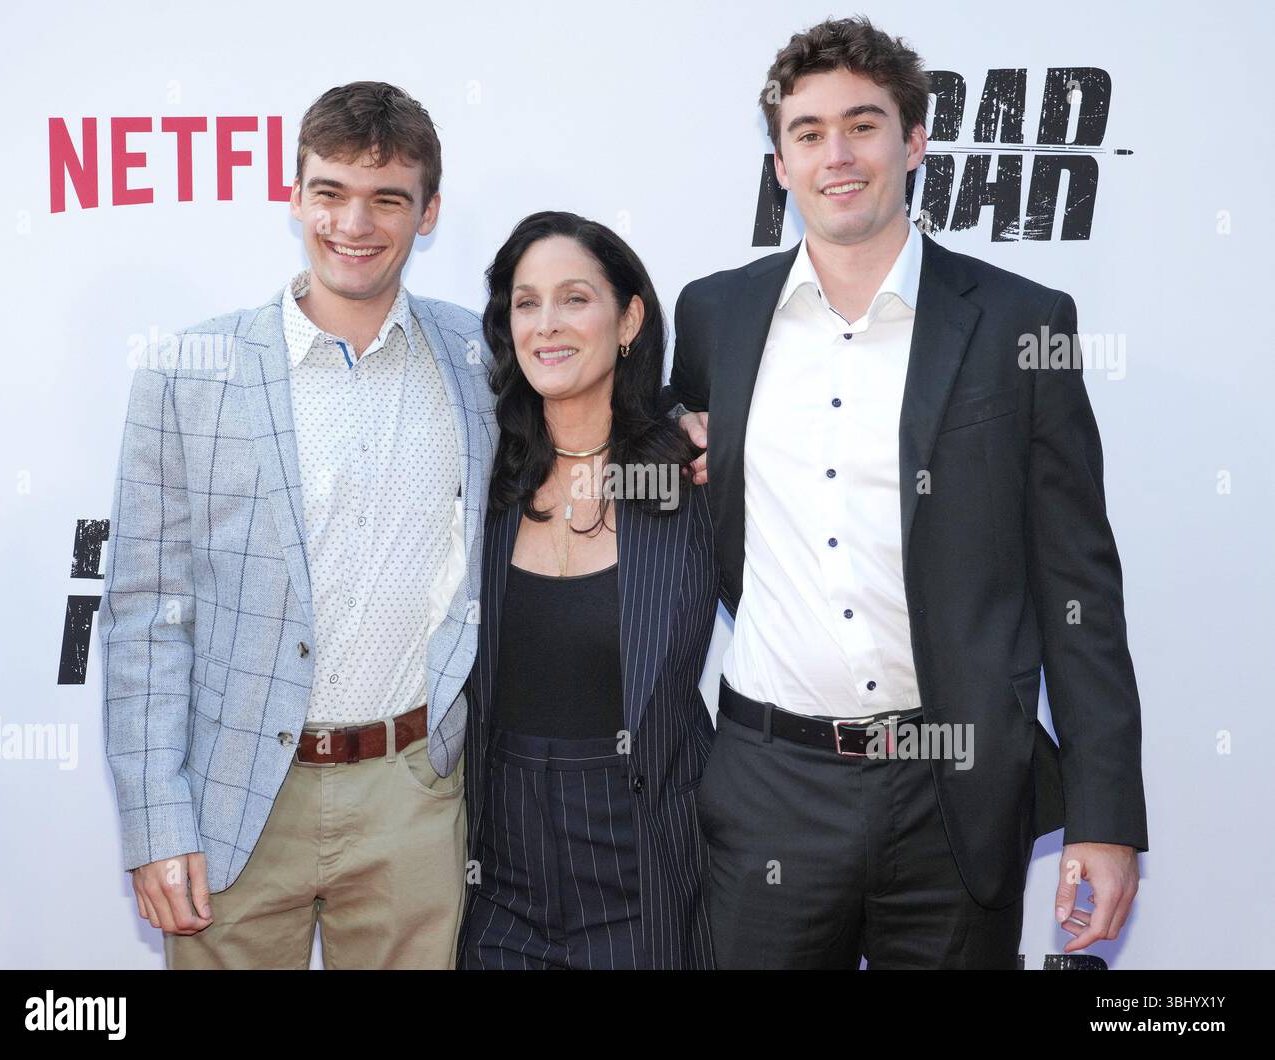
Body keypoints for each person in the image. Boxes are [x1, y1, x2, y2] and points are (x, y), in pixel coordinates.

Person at [667, 17, 1147, 969]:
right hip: (770, 783)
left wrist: (1105, 816)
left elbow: (1077, 586)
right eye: (807, 134)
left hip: (954, 789)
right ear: (778, 162)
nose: (835, 156)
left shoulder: (1020, 322)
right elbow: (681, 477)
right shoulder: (714, 314)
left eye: (863, 125)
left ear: (915, 142)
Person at [98, 82, 495, 968]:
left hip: (415, 793)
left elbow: (595, 412)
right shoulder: (187, 374)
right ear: (294, 197)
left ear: (427, 212)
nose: (355, 223)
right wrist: (156, 820)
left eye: (387, 198)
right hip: (233, 795)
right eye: (331, 193)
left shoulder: (481, 361)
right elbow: (143, 614)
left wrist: (686, 436)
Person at [456, 211, 719, 969]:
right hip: (498, 868)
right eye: (526, 303)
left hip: (645, 862)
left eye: (575, 298)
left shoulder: (692, 471)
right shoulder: (482, 469)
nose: (547, 325)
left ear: (629, 317)